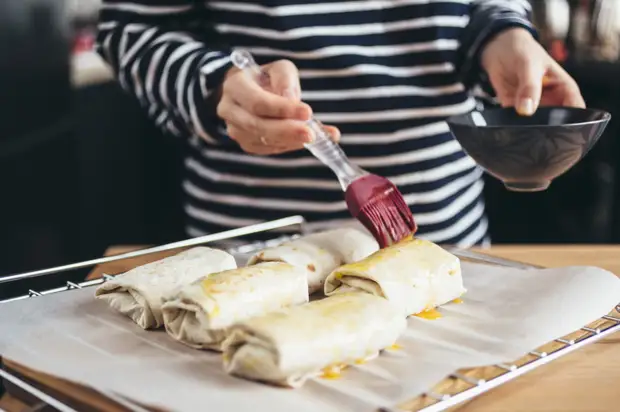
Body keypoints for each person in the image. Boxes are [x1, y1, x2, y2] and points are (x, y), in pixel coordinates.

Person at [96, 0, 585, 246]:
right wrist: (214, 85)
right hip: (254, 244)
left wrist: (501, 33)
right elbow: (131, 30)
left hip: (446, 238)